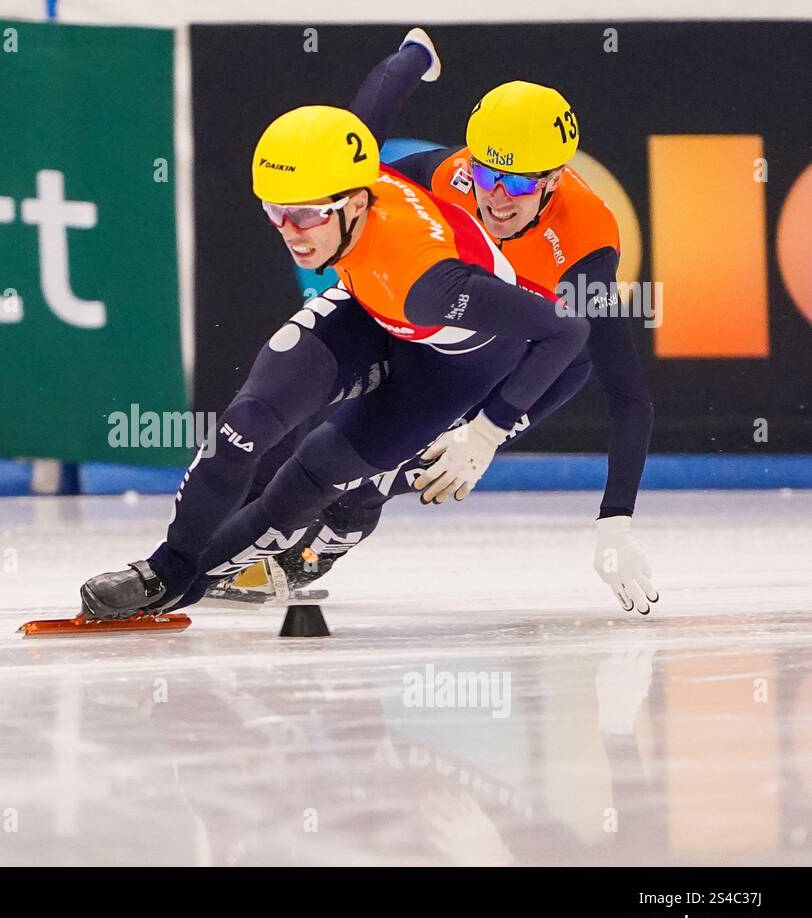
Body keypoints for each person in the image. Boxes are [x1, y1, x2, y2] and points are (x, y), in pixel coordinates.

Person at [77, 35, 590, 622]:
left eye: (306, 215)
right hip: (372, 308)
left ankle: (203, 580)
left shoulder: (432, 280)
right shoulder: (345, 165)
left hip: (451, 372)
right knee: (247, 422)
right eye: (276, 212)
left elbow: (566, 333)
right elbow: (376, 99)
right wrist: (414, 55)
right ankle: (164, 572)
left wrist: (489, 430)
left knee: (313, 476)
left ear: (354, 204)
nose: (291, 232)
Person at [264, 54, 657, 615]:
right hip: (454, 326)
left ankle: (315, 551)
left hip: (537, 362)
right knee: (334, 424)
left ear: (553, 180)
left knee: (405, 468)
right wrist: (408, 61)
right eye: (488, 174)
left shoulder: (587, 242)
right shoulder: (451, 172)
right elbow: (352, 170)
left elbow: (628, 391)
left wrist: (614, 521)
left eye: (517, 181)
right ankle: (264, 533)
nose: (495, 197)